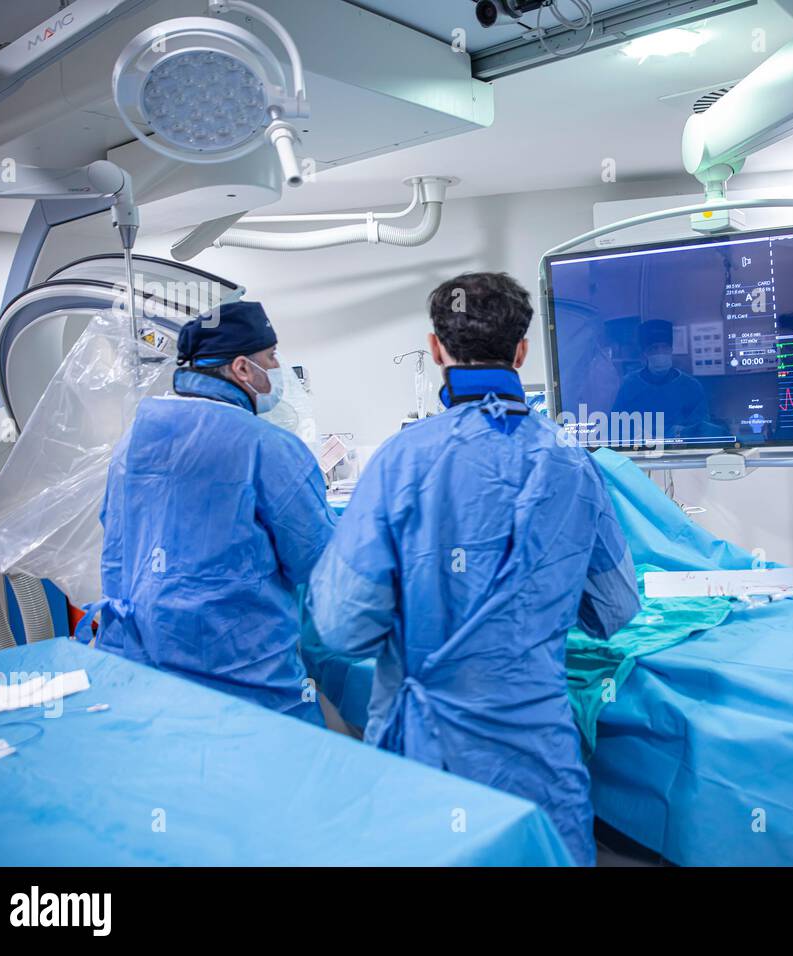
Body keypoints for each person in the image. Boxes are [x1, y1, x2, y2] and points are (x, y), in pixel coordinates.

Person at [307, 271, 639, 866]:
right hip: (536, 765)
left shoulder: (400, 462)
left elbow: (340, 628)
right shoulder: (571, 462)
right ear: (521, 352)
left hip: (424, 764)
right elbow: (614, 611)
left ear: (437, 350)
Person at [89, 301, 335, 725]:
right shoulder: (267, 446)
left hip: (138, 669)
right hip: (241, 677)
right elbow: (320, 565)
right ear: (242, 369)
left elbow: (117, 547)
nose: (278, 369)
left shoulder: (135, 439)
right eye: (272, 357)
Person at [612, 318, 710, 438]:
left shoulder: (691, 387)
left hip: (681, 452)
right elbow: (615, 425)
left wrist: (678, 433)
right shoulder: (628, 385)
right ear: (645, 353)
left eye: (665, 347)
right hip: (638, 451)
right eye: (654, 348)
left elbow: (701, 429)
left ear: (671, 350)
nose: (660, 352)